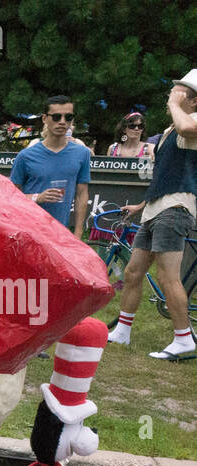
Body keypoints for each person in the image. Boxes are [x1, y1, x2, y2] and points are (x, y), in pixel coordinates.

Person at [108, 70, 197, 360]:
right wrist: (141, 206)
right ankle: (122, 330)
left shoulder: (190, 123)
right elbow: (162, 175)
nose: (173, 94)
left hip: (176, 208)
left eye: (180, 91)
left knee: (168, 276)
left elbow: (186, 129)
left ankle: (184, 339)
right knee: (134, 272)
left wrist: (175, 104)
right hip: (156, 208)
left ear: (193, 100)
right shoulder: (173, 128)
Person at [10, 95, 92, 234]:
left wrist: (78, 234)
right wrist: (37, 197)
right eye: (56, 117)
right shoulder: (26, 156)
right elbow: (10, 195)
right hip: (28, 231)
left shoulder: (82, 153)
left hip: (60, 233)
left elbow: (81, 195)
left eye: (68, 117)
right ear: (44, 118)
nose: (62, 122)